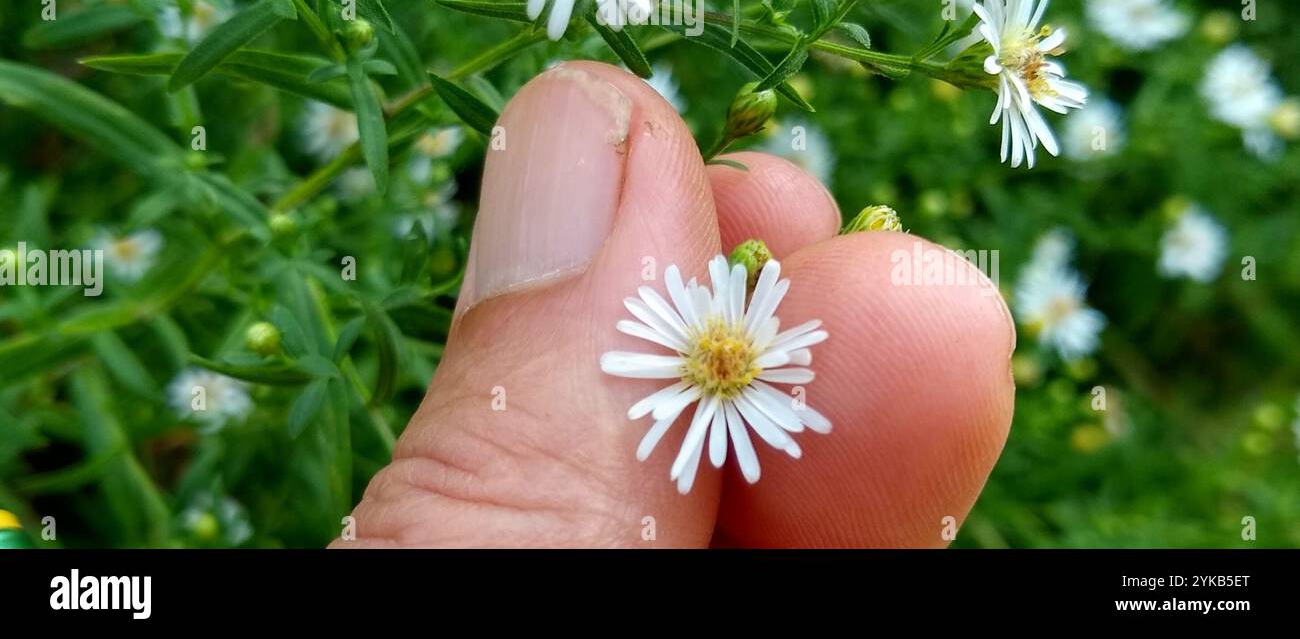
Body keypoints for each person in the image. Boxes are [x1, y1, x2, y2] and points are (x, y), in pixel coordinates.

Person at [337, 61, 1014, 547]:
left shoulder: (735, 356)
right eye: (724, 354)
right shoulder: (725, 318)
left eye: (729, 356)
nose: (725, 356)